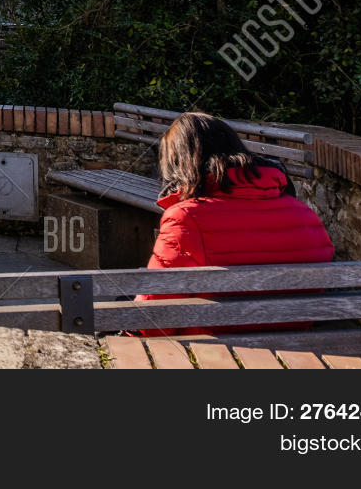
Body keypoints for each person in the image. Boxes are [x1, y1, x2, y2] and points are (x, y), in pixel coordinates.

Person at [138, 111, 333, 335]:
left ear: (179, 164)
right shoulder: (304, 214)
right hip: (301, 347)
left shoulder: (186, 218)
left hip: (214, 352)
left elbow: (153, 318)